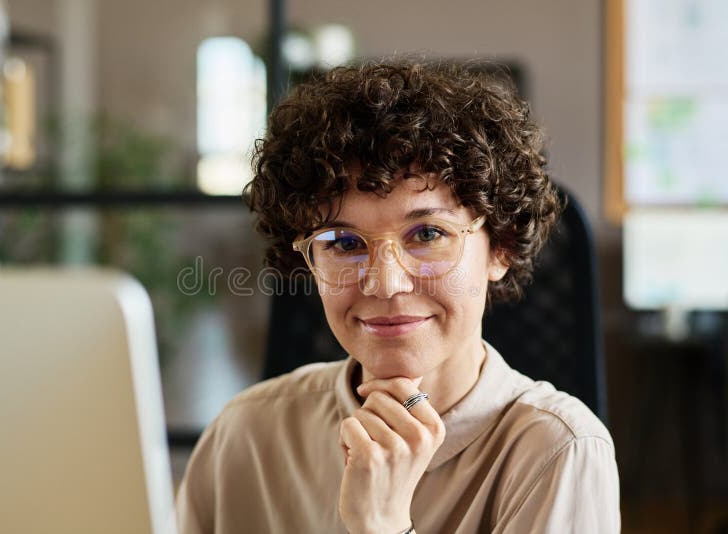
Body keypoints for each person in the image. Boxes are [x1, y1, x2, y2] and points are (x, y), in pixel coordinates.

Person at [176, 59, 620, 533]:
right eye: (344, 243)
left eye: (427, 233)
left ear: (502, 246)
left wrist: (381, 523)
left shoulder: (558, 452)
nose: (386, 284)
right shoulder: (246, 434)